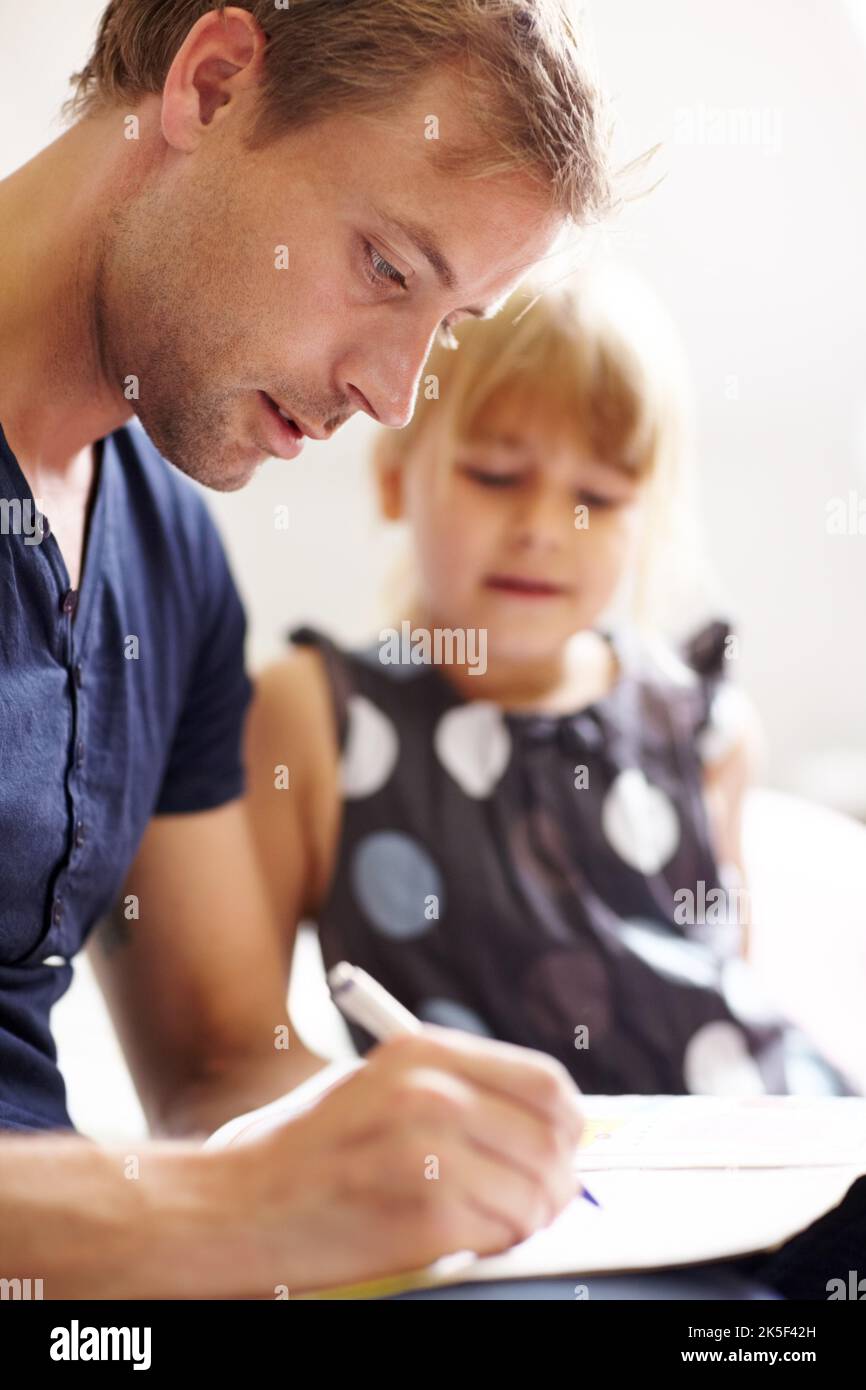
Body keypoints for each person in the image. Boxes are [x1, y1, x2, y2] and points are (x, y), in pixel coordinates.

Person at [0, 0, 613, 1297]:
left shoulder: (170, 564)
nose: (394, 394)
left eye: (446, 327)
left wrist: (417, 1144)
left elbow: (220, 1057)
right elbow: (215, 1178)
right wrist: (222, 1206)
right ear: (213, 86)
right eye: (388, 268)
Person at [247, 270, 858, 1099]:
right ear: (394, 479)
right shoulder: (317, 720)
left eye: (598, 498)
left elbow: (724, 989)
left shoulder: (702, 727)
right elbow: (239, 1052)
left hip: (763, 1145)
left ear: (648, 521)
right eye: (495, 476)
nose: (541, 529)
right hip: (515, 1202)